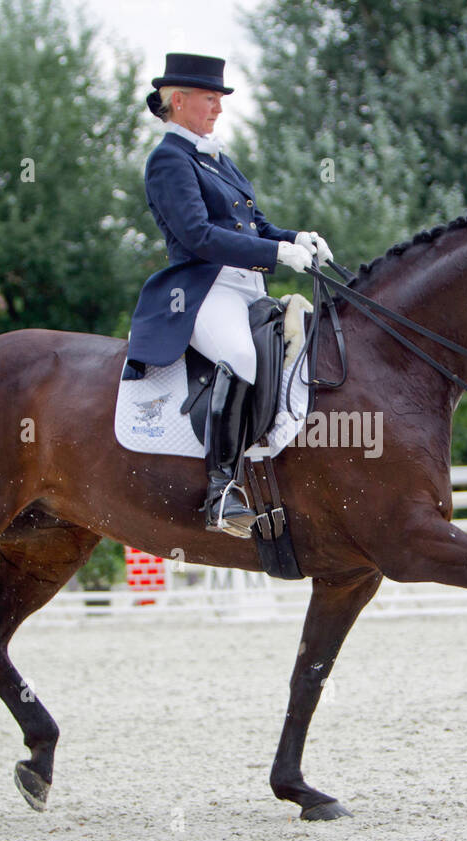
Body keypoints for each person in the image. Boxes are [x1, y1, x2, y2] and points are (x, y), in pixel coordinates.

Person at [125, 53, 333, 538]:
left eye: (220, 98)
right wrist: (276, 252)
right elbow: (198, 236)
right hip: (202, 289)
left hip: (247, 288)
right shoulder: (168, 161)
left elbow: (255, 225)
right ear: (178, 101)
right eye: (210, 98)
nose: (219, 107)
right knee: (240, 355)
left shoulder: (217, 157)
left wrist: (295, 237)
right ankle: (221, 491)